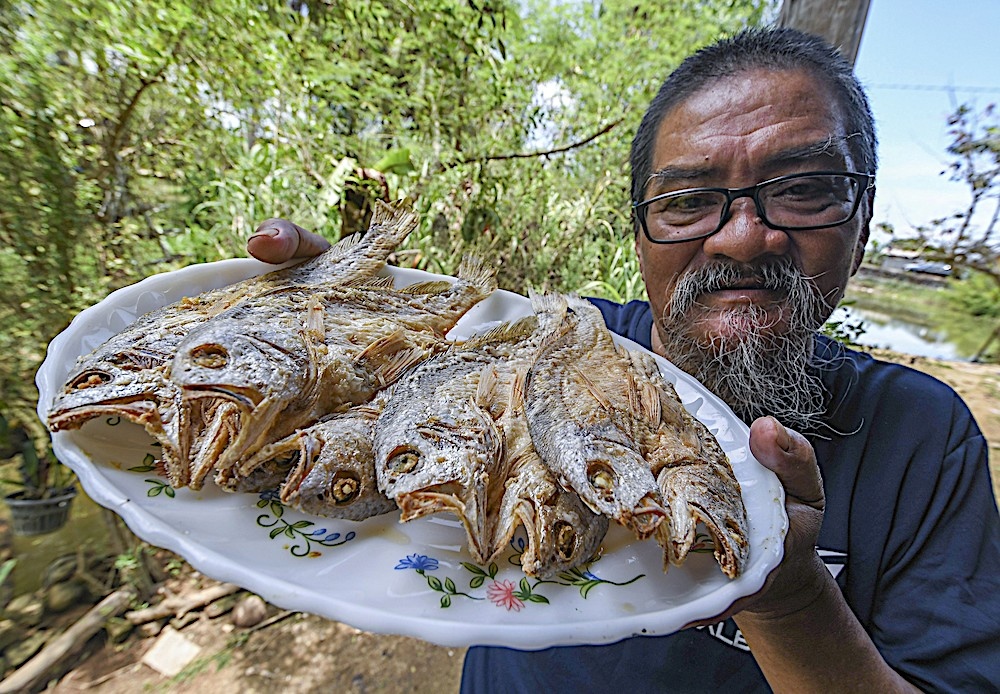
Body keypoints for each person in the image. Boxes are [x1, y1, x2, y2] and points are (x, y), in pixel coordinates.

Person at [247, 27, 1000, 693]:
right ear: (640, 234)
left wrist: (789, 595)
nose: (741, 237)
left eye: (803, 190)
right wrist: (332, 333)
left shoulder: (924, 440)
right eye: (687, 201)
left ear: (862, 220)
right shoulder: (544, 344)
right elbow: (400, 376)